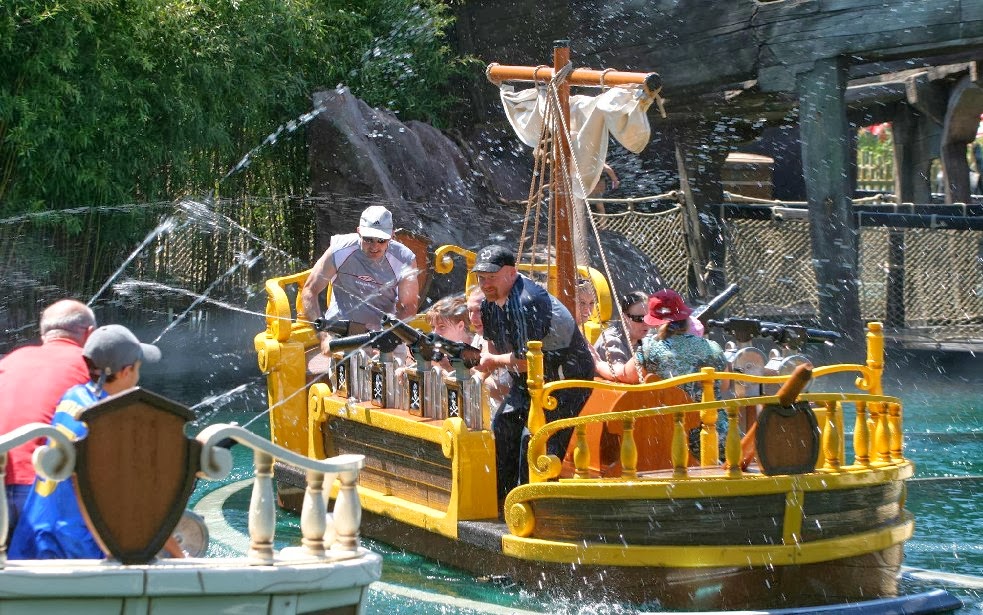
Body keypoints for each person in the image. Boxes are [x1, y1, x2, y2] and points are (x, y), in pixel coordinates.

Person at [8, 324, 162, 559]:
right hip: (73, 551)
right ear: (125, 371)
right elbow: (88, 493)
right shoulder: (104, 423)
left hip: (35, 536)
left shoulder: (73, 397)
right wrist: (113, 552)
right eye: (138, 369)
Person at [472, 245, 595, 501]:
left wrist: (492, 361)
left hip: (564, 379)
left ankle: (537, 505)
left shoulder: (528, 301)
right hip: (530, 379)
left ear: (511, 272)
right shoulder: (490, 302)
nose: (485, 284)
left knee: (537, 440)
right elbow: (491, 341)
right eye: (481, 278)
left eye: (491, 277)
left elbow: (526, 360)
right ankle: (502, 500)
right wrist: (481, 369)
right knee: (504, 425)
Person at [0, 299, 96, 537]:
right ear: (90, 334)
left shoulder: (10, 361)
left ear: (44, 333)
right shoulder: (90, 366)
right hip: (44, 489)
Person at [300, 205, 419, 355]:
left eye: (381, 240)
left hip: (386, 336)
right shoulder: (339, 250)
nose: (375, 246)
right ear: (358, 232)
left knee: (392, 374)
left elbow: (409, 307)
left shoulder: (404, 258)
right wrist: (323, 337)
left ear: (392, 236)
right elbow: (309, 291)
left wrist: (386, 336)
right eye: (368, 239)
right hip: (343, 336)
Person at [603, 289, 725, 399]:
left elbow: (623, 374)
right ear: (686, 318)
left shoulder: (650, 349)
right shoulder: (714, 348)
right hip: (716, 422)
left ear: (656, 323)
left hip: (677, 421)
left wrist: (597, 363)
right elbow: (725, 385)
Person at [466, 286, 510, 419]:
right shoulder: (479, 337)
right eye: (470, 311)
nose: (473, 318)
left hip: (508, 421)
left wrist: (473, 376)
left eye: (479, 311)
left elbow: (514, 395)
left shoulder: (510, 339)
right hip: (483, 417)